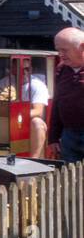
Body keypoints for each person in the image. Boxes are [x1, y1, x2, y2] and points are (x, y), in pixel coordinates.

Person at [48, 27, 84, 163]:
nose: (60, 54)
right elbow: (57, 104)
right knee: (71, 178)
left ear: (82, 47)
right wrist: (53, 138)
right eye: (58, 50)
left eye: (64, 50)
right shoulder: (62, 69)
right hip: (69, 135)